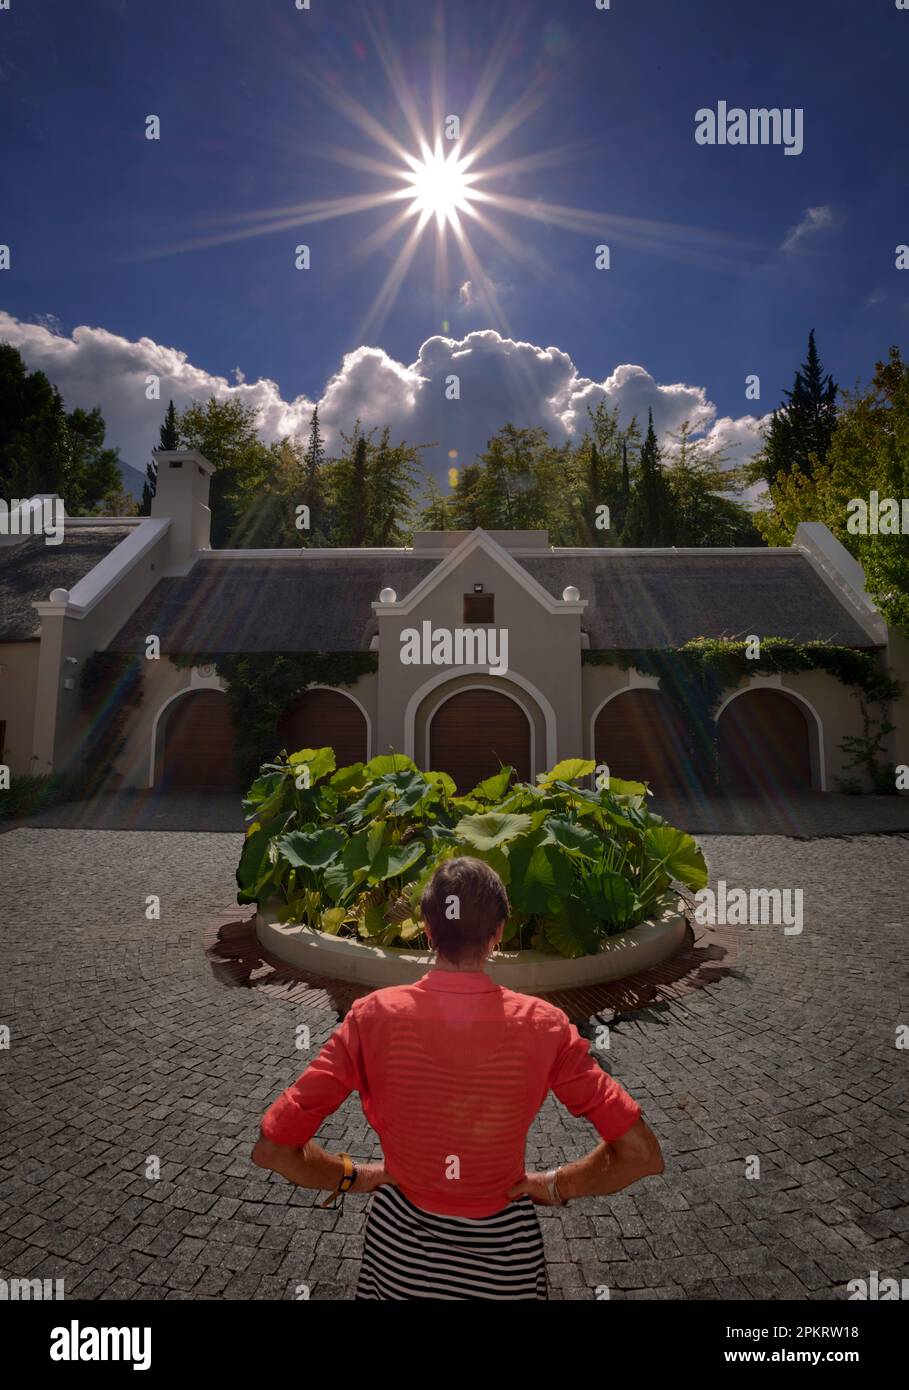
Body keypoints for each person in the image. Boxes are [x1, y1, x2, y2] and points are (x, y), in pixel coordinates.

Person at [252, 855, 664, 1300]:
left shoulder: (372, 1017)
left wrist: (357, 1176)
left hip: (399, 1259)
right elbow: (640, 1154)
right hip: (505, 1264)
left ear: (428, 930)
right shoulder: (545, 1025)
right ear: (498, 934)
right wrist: (555, 1184)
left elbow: (275, 1149)